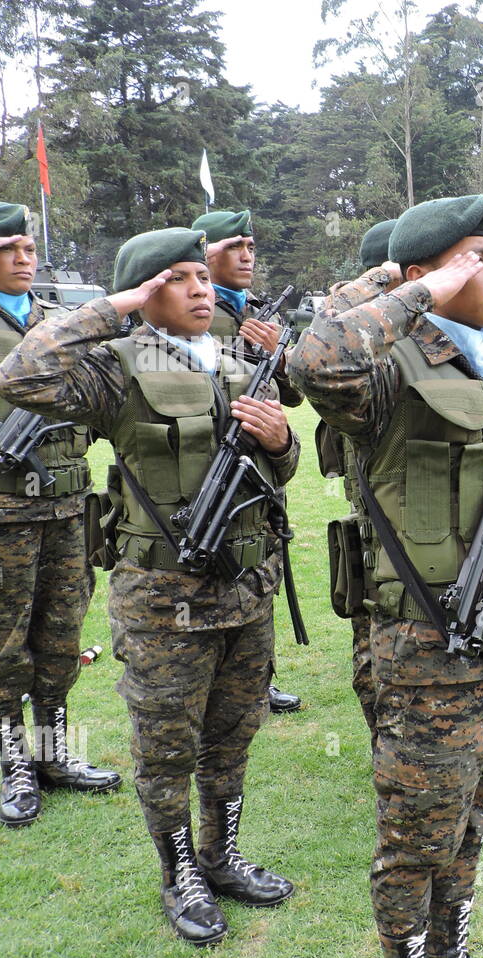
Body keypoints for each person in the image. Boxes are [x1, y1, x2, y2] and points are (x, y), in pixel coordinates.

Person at [290, 194, 483, 958]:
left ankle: (452, 950)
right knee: (417, 833)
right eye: (475, 257)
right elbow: (315, 358)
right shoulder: (384, 373)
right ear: (425, 276)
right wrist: (403, 283)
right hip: (424, 648)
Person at [0, 226, 298, 945]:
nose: (199, 288)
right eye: (178, 277)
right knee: (166, 744)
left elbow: (276, 477)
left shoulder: (232, 362)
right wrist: (114, 306)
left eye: (202, 275)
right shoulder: (117, 368)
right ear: (144, 291)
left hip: (247, 588)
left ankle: (222, 854)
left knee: (233, 734)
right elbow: (15, 377)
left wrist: (281, 442)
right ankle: (179, 870)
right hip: (165, 598)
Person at [0, 200, 120, 828]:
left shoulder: (57, 321)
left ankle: (53, 752)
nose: (23, 257)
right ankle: (15, 762)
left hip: (68, 502)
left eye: (27, 246)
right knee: (3, 642)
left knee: (61, 633)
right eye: (6, 248)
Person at [192, 209, 303, 714]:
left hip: (265, 461)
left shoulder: (261, 312)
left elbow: (295, 394)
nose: (247, 257)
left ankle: (260, 675)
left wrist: (278, 354)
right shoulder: (193, 313)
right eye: (234, 246)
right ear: (205, 253)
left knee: (264, 567)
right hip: (210, 460)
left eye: (251, 247)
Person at [314, 217, 399, 743]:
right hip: (371, 482)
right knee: (372, 603)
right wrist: (383, 277)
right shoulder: (358, 316)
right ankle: (383, 732)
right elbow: (326, 330)